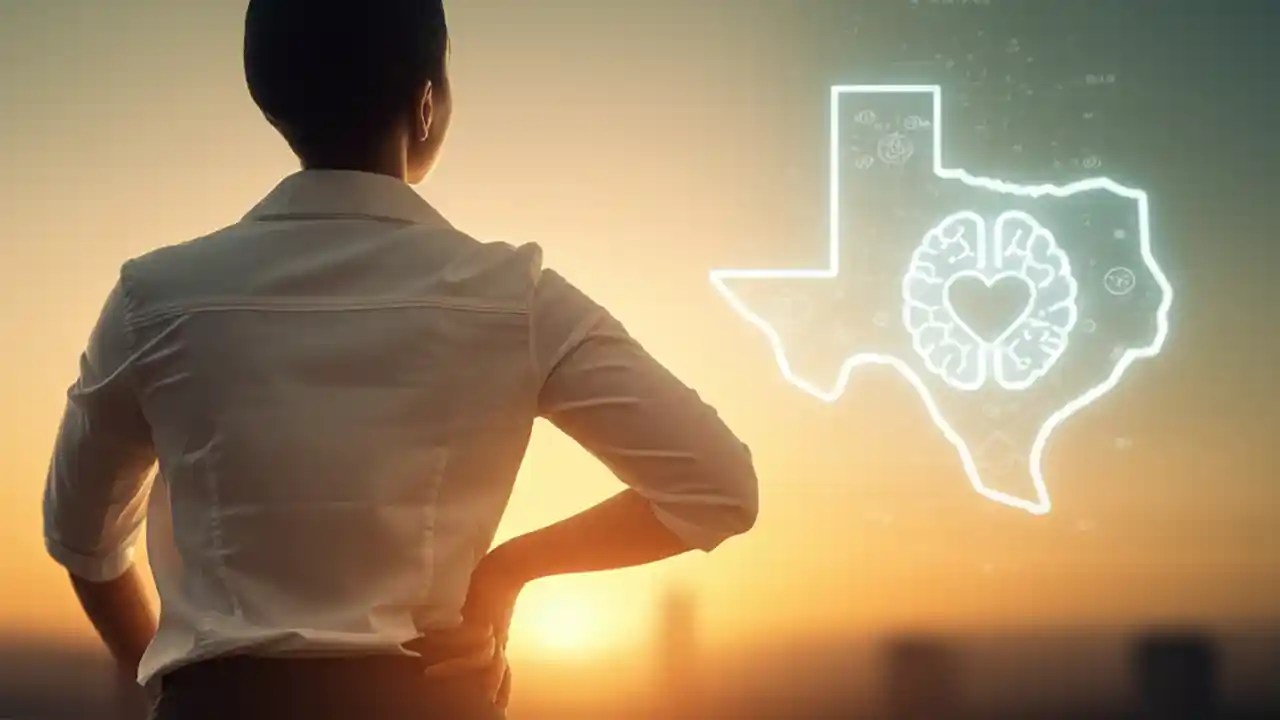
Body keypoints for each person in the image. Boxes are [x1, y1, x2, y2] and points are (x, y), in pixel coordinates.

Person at [41, 1, 759, 718]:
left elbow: (84, 542)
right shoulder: (515, 297)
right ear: (424, 105)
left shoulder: (155, 300)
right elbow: (719, 487)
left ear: (270, 99)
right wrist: (509, 570)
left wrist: (168, 684)